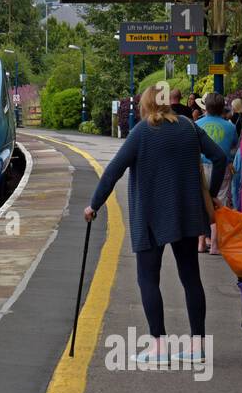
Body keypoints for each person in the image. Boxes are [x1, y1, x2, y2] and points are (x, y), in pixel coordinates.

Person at [84, 86, 228, 363]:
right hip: (187, 214)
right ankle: (198, 346)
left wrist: (94, 205)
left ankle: (158, 346)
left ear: (146, 104)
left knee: (148, 278)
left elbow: (113, 170)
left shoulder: (142, 132)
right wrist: (210, 194)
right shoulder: (188, 127)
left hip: (150, 215)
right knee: (191, 278)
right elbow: (219, 158)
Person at [195, 93, 237, 253]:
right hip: (221, 167)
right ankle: (215, 244)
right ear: (222, 108)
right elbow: (233, 146)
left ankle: (200, 243)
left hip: (200, 166)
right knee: (219, 203)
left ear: (205, 107)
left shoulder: (196, 124)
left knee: (200, 202)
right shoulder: (230, 127)